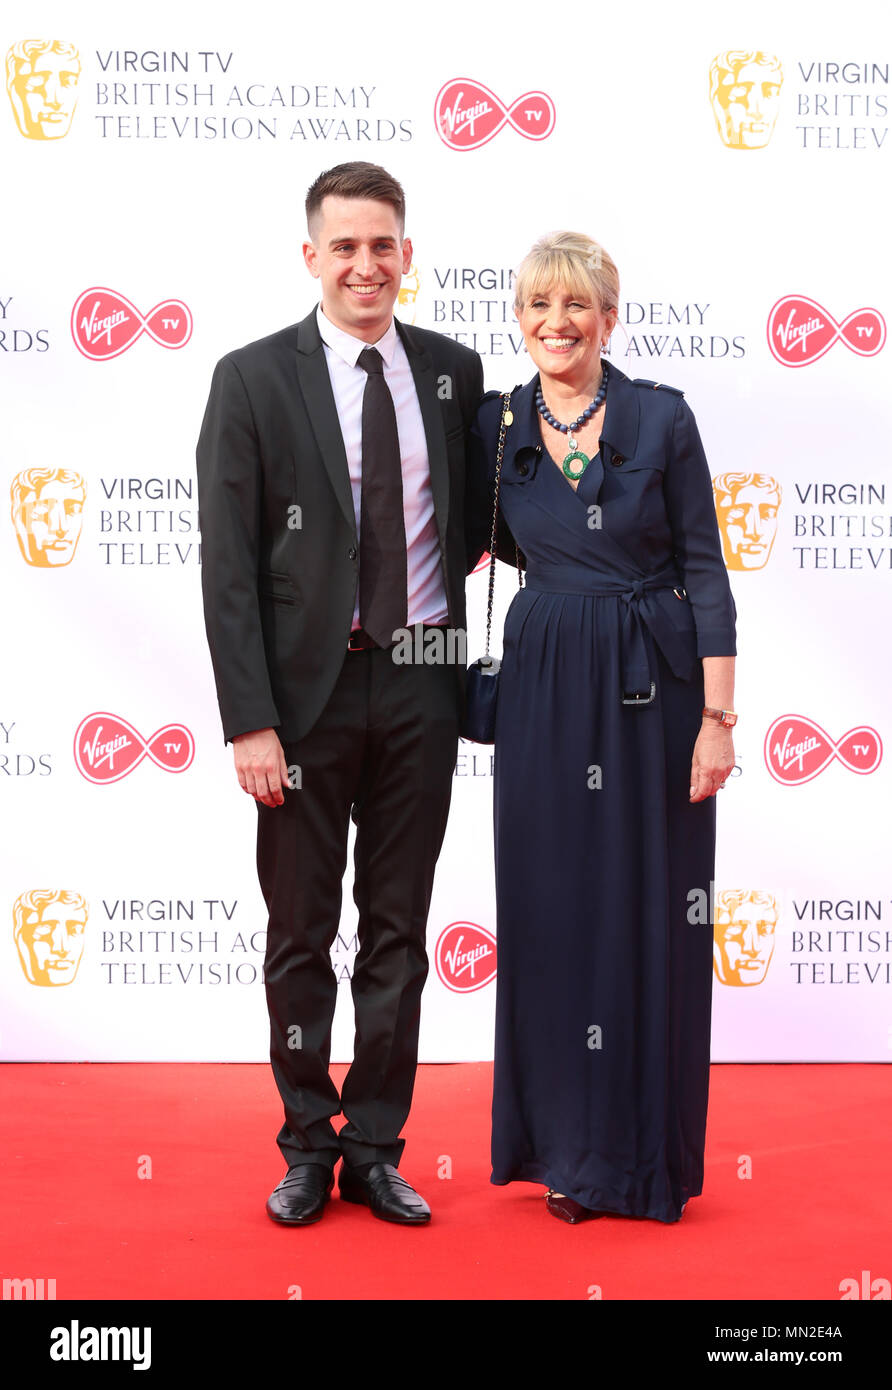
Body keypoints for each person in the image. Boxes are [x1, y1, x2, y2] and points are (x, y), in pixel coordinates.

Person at [196, 162, 483, 1226]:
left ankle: (375, 1145)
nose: (366, 264)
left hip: (419, 687)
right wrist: (249, 718)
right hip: (302, 702)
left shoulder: (453, 373)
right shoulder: (251, 378)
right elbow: (227, 565)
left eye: (384, 245)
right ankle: (307, 1142)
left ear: (407, 254)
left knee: (398, 929)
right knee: (301, 934)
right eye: (345, 246)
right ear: (310, 257)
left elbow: (491, 518)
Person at [466, 231, 737, 1224]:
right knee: (553, 910)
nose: (556, 321)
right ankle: (568, 1154)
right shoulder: (498, 427)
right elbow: (456, 539)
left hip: (650, 692)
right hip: (544, 685)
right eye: (538, 303)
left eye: (576, 304)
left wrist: (715, 719)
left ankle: (638, 1156)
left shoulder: (660, 417)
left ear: (608, 316)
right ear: (520, 317)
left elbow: (704, 568)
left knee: (648, 911)